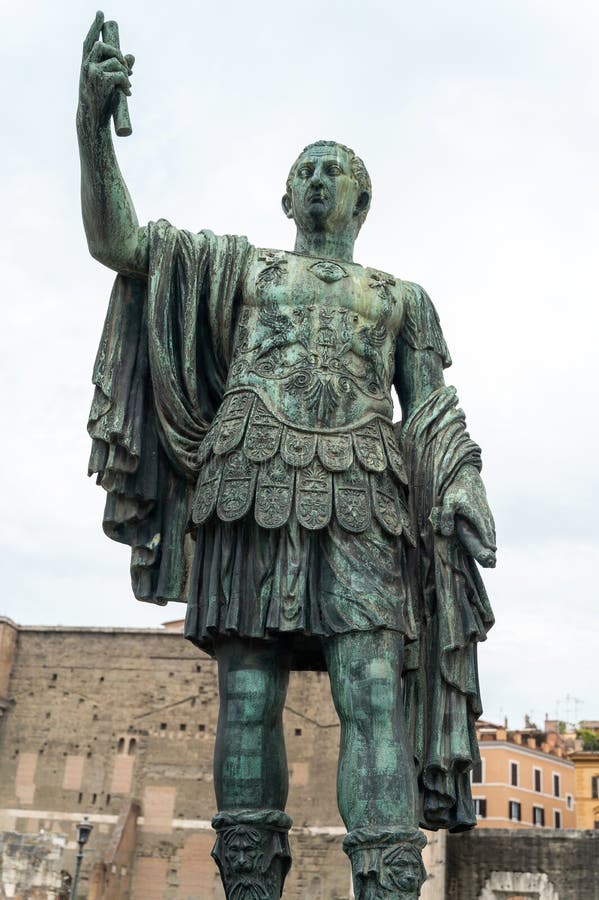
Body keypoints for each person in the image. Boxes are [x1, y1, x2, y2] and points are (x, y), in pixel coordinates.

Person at [78, 13, 496, 900]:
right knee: (247, 701)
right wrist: (91, 127)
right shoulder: (237, 270)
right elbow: (118, 243)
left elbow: (433, 413)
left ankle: (386, 886)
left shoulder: (401, 298)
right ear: (283, 200)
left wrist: (460, 483)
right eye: (303, 171)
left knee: (374, 692)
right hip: (248, 486)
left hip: (365, 500)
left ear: (360, 202)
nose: (316, 182)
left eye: (332, 172)